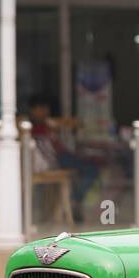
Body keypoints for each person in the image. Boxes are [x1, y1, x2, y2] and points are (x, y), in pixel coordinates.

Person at [26, 94, 98, 222]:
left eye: (46, 109)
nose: (45, 112)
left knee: (86, 169)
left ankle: (74, 201)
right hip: (54, 160)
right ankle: (75, 201)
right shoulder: (30, 126)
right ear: (33, 109)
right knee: (90, 169)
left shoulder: (47, 123)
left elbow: (76, 123)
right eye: (42, 109)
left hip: (60, 157)